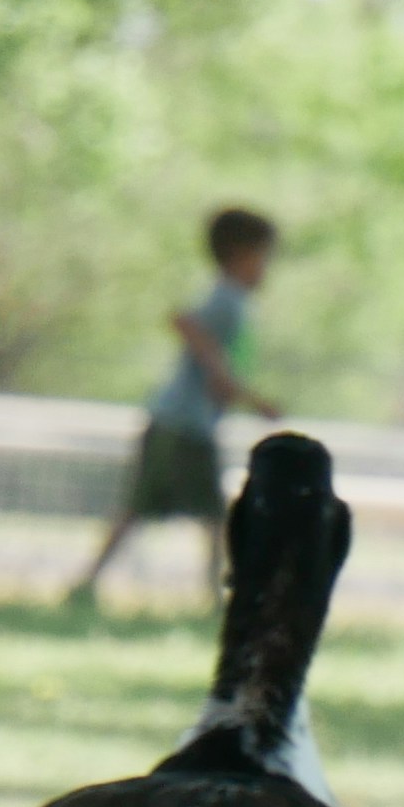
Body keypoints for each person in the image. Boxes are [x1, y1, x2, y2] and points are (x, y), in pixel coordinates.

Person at [70, 206, 284, 609]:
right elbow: (184, 323)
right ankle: (214, 596)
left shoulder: (233, 302)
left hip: (190, 423)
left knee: (175, 511)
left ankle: (96, 582)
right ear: (240, 254)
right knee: (183, 511)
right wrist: (237, 387)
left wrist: (236, 388)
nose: (267, 269)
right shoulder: (228, 299)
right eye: (264, 257)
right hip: (182, 423)